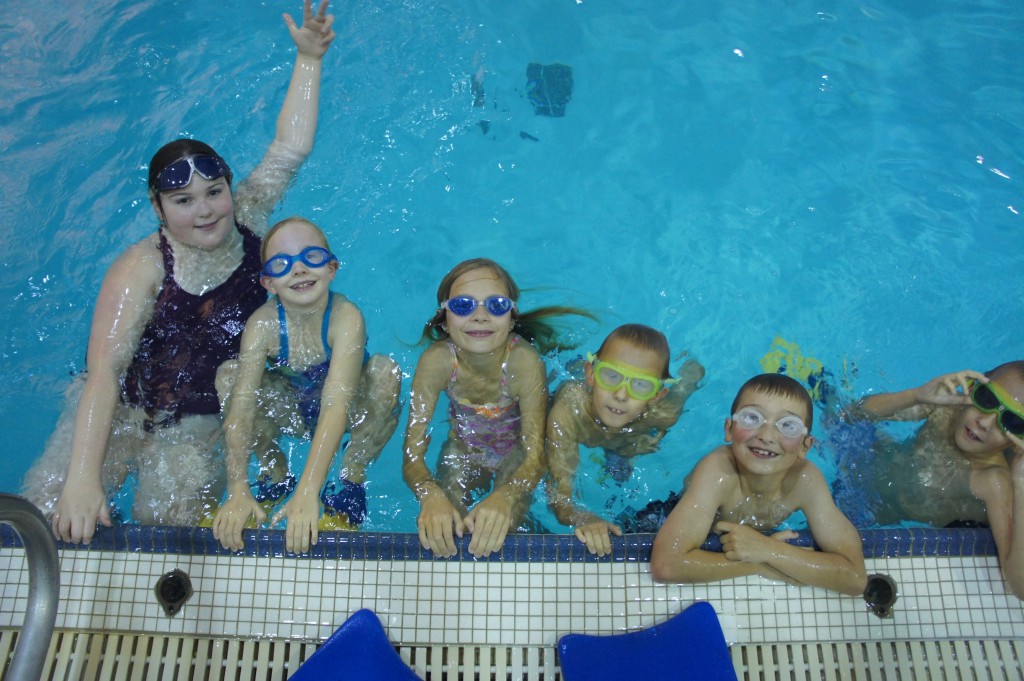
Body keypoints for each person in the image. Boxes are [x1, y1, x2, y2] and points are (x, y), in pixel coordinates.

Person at [22, 0, 336, 545]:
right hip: (120, 408)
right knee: (46, 514)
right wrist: (82, 478)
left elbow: (290, 149)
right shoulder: (140, 267)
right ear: (158, 207)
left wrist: (308, 60)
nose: (206, 211)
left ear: (229, 187)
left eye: (214, 192)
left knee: (169, 528)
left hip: (198, 419)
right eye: (184, 200)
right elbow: (105, 373)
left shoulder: (248, 216)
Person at [211, 217, 400, 553]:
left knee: (386, 372)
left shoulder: (345, 317)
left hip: (349, 410)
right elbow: (241, 409)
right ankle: (276, 474)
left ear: (331, 268)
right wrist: (237, 487)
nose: (298, 269)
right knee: (229, 375)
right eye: (281, 264)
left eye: (311, 257)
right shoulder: (263, 325)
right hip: (292, 409)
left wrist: (309, 491)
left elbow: (337, 404)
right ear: (269, 283)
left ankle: (351, 477)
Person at [402, 258, 592, 558]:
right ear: (445, 319)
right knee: (447, 531)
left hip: (516, 455)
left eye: (496, 306)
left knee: (505, 532)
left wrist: (507, 496)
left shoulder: (523, 362)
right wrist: (430, 494)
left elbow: (535, 454)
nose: (480, 316)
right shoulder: (437, 361)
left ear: (512, 319)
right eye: (463, 305)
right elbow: (412, 454)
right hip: (463, 447)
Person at [650, 373, 867, 596]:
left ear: (805, 446)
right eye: (752, 418)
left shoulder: (806, 480)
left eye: (788, 425)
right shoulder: (718, 472)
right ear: (729, 429)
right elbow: (667, 564)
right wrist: (758, 565)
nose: (766, 436)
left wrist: (770, 550)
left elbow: (856, 578)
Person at [847, 363, 1024, 599]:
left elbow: (1019, 586)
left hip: (895, 519)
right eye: (987, 399)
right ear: (971, 388)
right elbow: (853, 413)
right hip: (874, 477)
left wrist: (1020, 479)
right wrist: (916, 395)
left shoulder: (992, 480)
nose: (985, 422)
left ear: (1017, 442)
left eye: (1012, 422)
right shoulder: (945, 409)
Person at [546, 324, 704, 556]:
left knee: (626, 460)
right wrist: (585, 517)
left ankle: (620, 450)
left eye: (641, 385)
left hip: (629, 434)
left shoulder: (663, 414)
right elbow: (559, 496)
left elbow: (692, 375)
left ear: (656, 396)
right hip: (580, 405)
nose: (621, 394)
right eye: (611, 376)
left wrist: (651, 438)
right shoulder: (568, 412)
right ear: (591, 375)